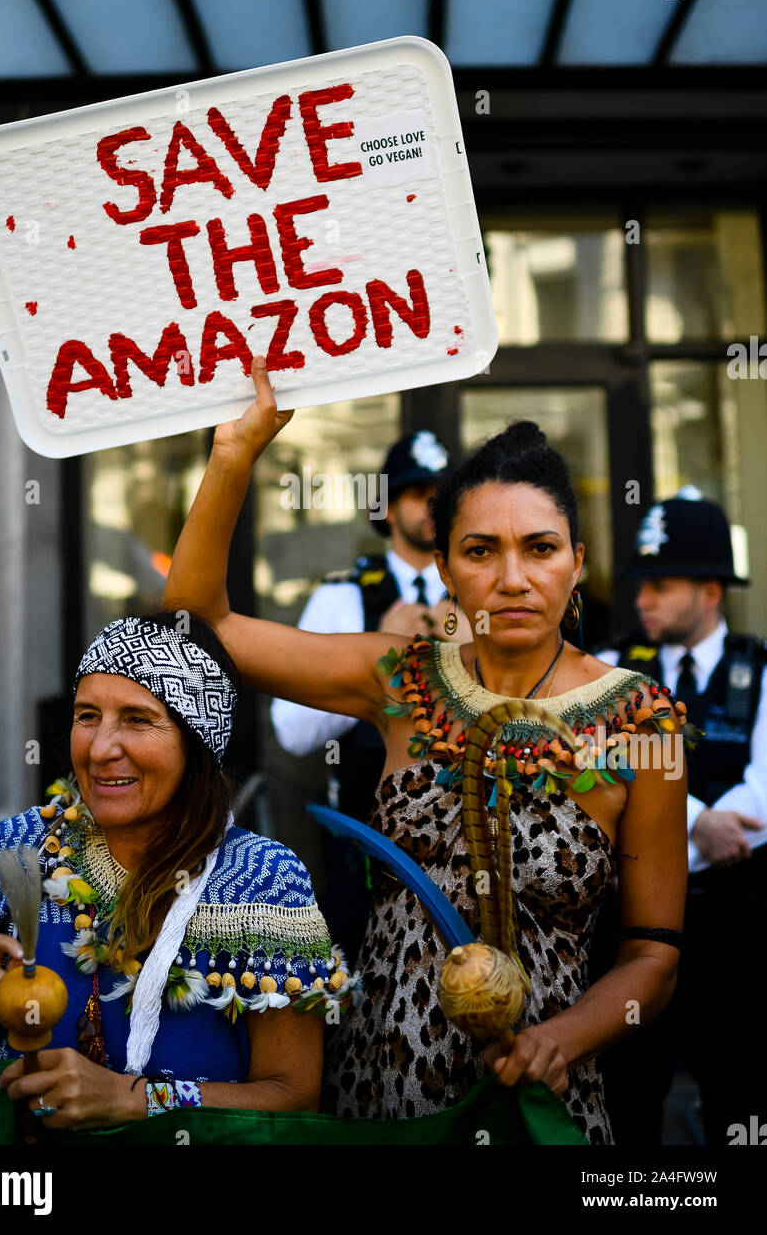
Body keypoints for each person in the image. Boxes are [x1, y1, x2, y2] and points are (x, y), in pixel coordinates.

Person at [162, 357, 688, 1145]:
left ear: (577, 564)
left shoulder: (641, 721)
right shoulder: (399, 680)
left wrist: (560, 1041)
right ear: (443, 568)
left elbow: (655, 952)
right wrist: (234, 456)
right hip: (380, 1090)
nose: (512, 578)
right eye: (480, 551)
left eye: (540, 549)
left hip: (539, 1100)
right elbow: (199, 624)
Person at [0, 611, 353, 1134]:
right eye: (87, 715)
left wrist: (131, 1097)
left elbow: (292, 1096)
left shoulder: (260, 880)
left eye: (138, 719)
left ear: (197, 741)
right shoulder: (32, 845)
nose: (98, 749)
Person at [594, 490, 767, 1145]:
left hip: (736, 918)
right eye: (642, 582)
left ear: (712, 590)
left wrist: (684, 823)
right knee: (629, 1093)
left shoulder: (761, 665)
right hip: (634, 921)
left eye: (663, 584)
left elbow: (765, 789)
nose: (643, 599)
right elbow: (609, 772)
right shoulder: (613, 671)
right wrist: (696, 821)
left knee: (743, 1088)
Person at [271, 430, 460, 957]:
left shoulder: (484, 595)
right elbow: (292, 731)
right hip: (368, 851)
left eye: (442, 494)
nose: (431, 507)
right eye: (415, 493)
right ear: (389, 508)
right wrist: (378, 661)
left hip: (470, 848)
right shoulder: (342, 597)